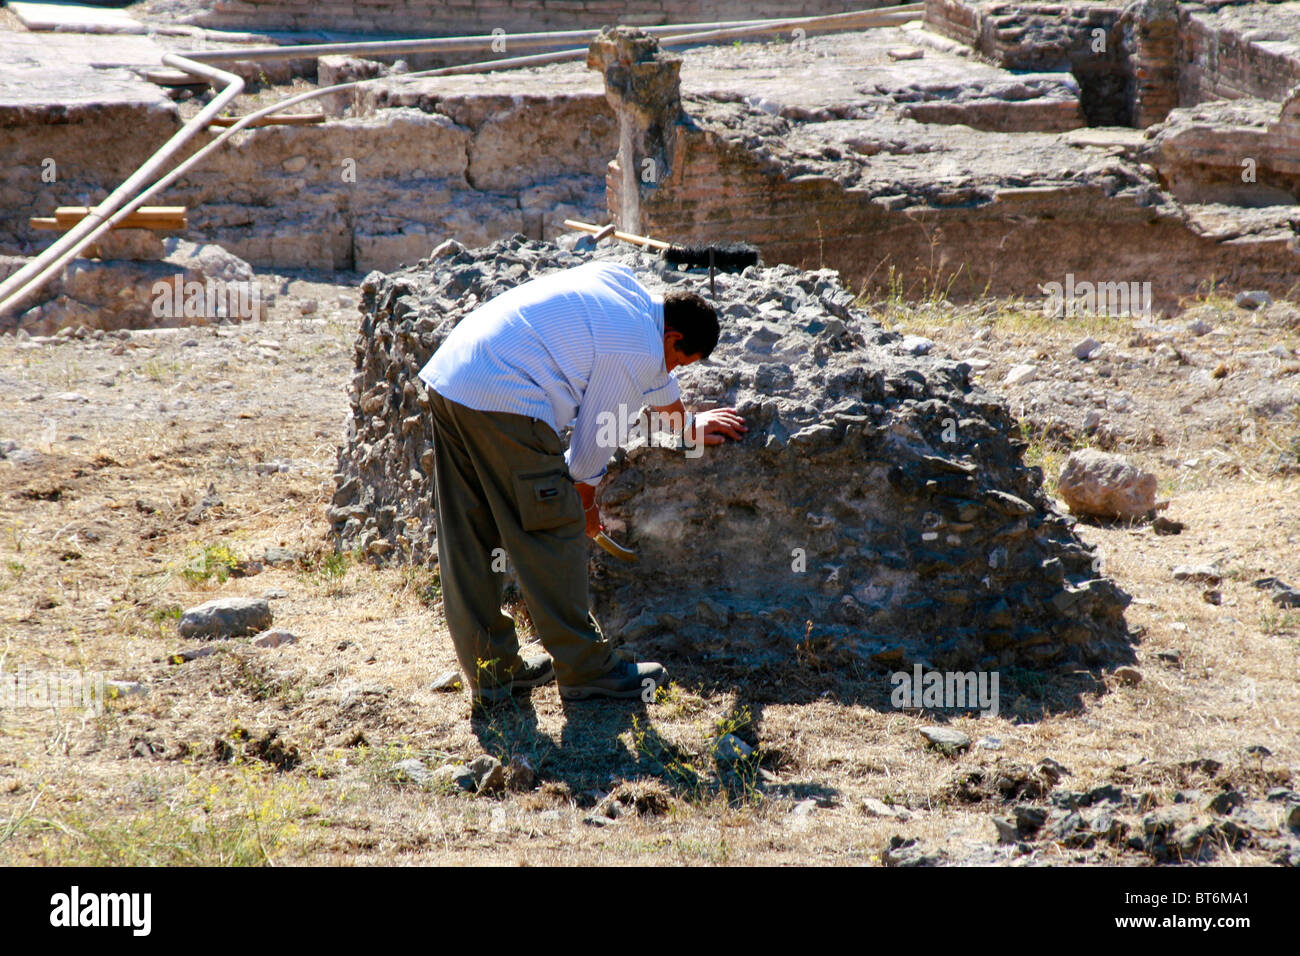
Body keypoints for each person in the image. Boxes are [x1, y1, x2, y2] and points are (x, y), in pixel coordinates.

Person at [418, 259, 746, 708]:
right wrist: (584, 510)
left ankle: (492, 672)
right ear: (672, 337)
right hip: (507, 398)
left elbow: (654, 376)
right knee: (555, 528)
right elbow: (593, 446)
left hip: (456, 378)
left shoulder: (625, 289)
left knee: (469, 533)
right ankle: (589, 672)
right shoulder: (636, 351)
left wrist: (687, 427)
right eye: (677, 359)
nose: (670, 368)